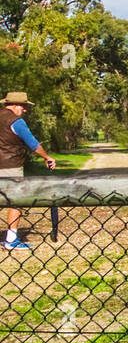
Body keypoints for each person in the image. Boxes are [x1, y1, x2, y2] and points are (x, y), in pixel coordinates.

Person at [0, 90, 56, 252]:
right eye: (24, 107)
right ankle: (11, 240)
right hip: (10, 167)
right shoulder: (16, 122)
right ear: (16, 106)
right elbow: (33, 144)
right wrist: (47, 157)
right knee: (15, 201)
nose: (25, 110)